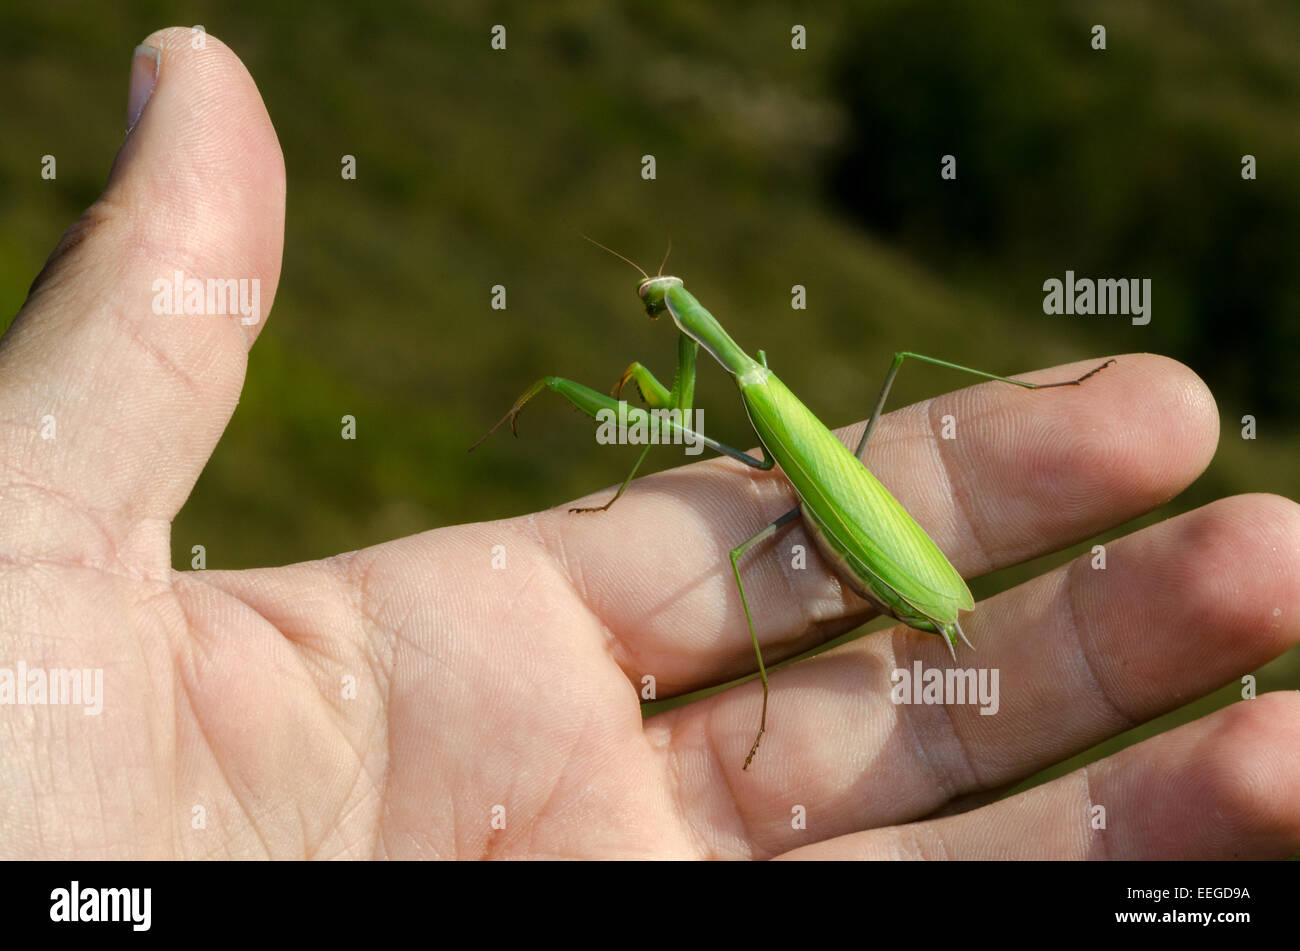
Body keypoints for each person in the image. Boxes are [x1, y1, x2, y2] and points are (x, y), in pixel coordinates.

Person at [1, 28, 1297, 860]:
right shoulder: (741, 385)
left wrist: (606, 418)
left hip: (860, 529)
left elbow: (680, 417)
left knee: (758, 555)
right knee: (827, 455)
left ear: (683, 316)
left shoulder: (743, 393)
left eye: (663, 307)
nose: (657, 317)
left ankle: (1074, 391)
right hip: (845, 511)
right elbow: (686, 412)